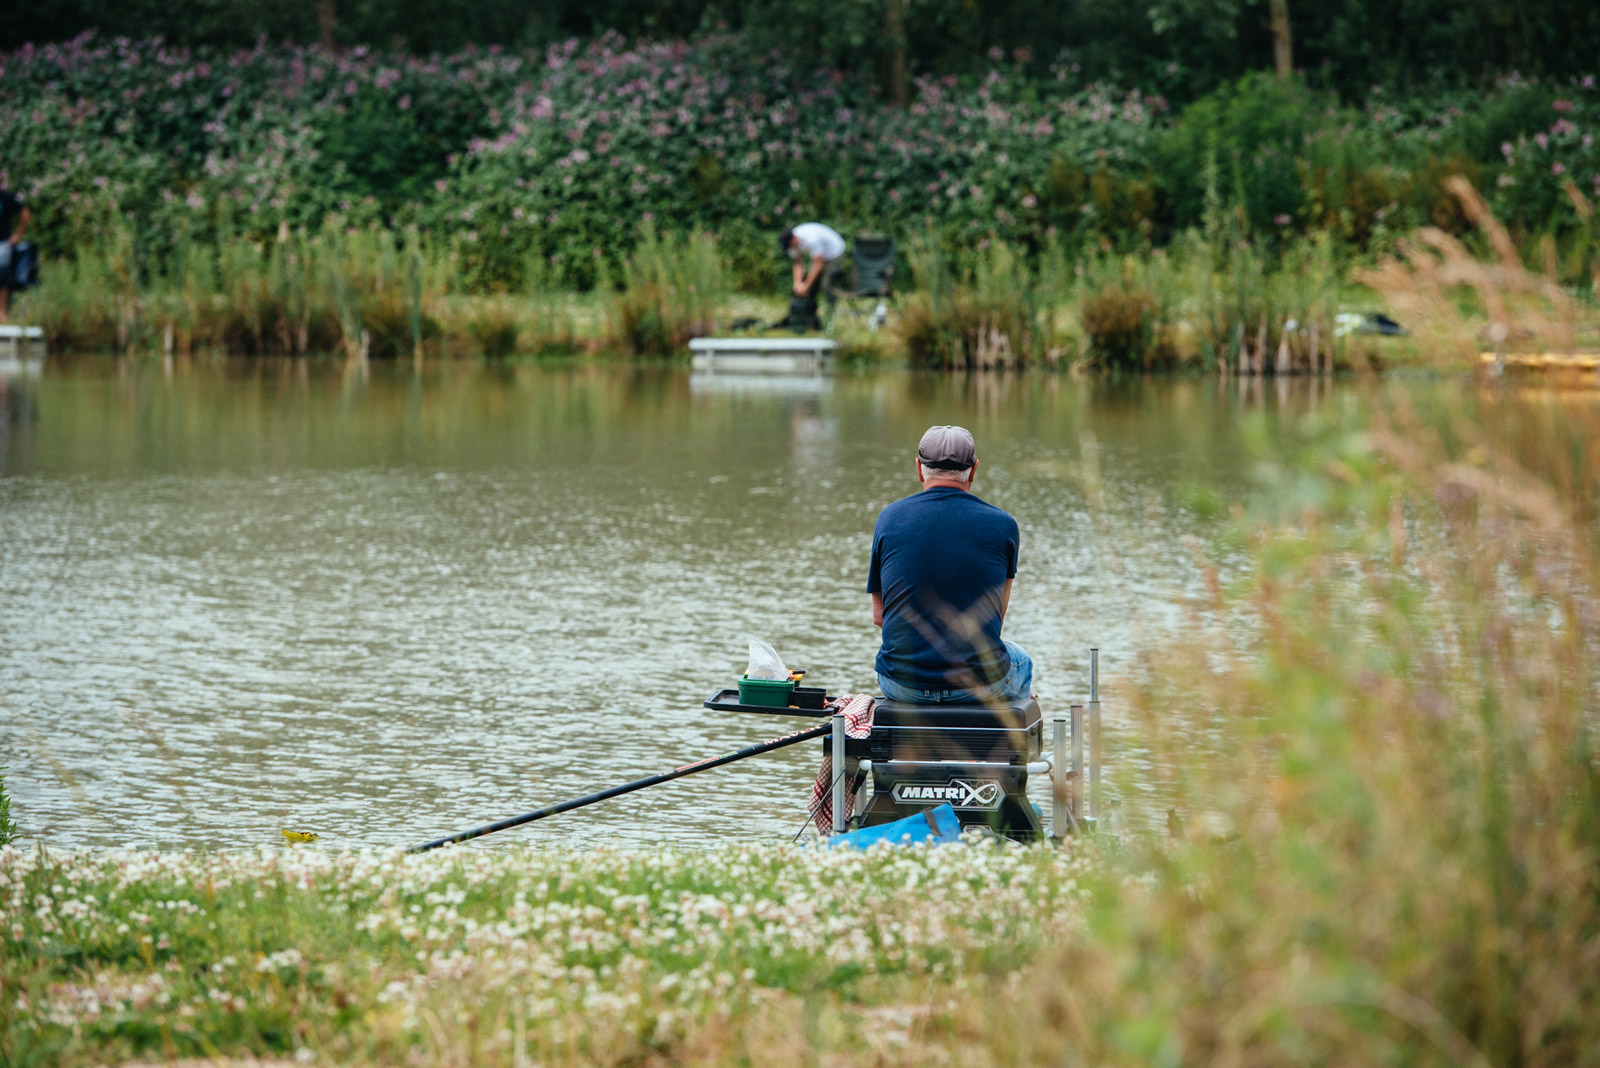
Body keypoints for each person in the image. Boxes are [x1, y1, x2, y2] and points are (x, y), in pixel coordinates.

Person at [867, 425, 1034, 704]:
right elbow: (997, 618)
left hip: (900, 683)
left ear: (919, 468)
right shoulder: (1003, 525)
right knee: (1021, 661)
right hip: (978, 684)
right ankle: (1007, 742)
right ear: (974, 469)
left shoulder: (889, 518)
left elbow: (879, 616)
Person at [778, 222, 845, 316]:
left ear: (794, 239)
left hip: (834, 252)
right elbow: (798, 264)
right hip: (820, 256)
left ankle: (830, 313)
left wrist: (806, 285)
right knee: (811, 283)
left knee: (826, 283)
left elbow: (818, 265)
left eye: (792, 246)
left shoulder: (811, 238)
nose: (792, 249)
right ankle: (810, 315)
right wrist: (797, 283)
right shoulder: (790, 244)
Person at [0, 187, 31, 322]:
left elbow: (25, 213)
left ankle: (2, 314)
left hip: (2, 244)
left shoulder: (5, 197)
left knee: (3, 278)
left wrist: (17, 235)